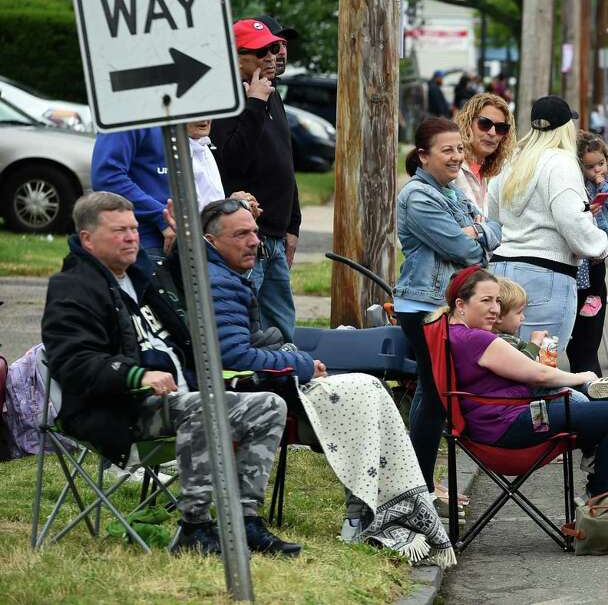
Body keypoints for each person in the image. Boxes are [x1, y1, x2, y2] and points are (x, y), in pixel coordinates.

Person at [198, 198, 456, 565]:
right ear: (209, 241)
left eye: (254, 231)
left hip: (266, 381)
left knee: (369, 390)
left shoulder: (227, 277)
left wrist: (286, 354)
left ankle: (373, 511)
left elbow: (244, 344)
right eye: (241, 234)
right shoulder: (219, 284)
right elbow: (233, 356)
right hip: (250, 391)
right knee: (365, 393)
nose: (254, 241)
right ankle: (364, 515)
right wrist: (299, 363)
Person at [39, 192, 298, 556]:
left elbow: (186, 282)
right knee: (206, 406)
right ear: (87, 239)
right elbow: (73, 362)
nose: (131, 237)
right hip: (119, 409)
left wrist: (185, 242)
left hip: (180, 397)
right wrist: (136, 377)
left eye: (132, 228)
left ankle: (243, 521)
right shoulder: (72, 290)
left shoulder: (144, 274)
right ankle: (195, 526)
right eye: (119, 231)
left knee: (269, 405)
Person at [443, 267, 608, 498]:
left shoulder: (454, 333)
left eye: (497, 301)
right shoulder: (477, 339)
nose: (494, 309)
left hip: (502, 419)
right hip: (510, 425)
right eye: (486, 301)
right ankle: (601, 501)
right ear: (461, 305)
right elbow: (538, 375)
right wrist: (584, 377)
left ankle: (597, 487)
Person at [395, 117, 501, 496]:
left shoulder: (451, 191)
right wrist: (477, 233)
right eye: (447, 150)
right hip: (422, 306)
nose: (457, 157)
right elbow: (467, 249)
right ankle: (418, 485)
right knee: (433, 391)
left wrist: (479, 231)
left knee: (438, 392)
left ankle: (423, 482)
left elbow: (493, 228)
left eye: (459, 148)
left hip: (443, 305)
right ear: (423, 156)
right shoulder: (418, 197)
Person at [487, 96, 608, 346]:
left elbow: (493, 216)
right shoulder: (561, 162)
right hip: (546, 274)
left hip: (500, 270)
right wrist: (599, 245)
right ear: (565, 128)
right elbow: (572, 221)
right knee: (541, 364)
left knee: (502, 364)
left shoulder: (511, 161)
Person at [210, 18, 301, 341]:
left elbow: (284, 163)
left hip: (276, 234)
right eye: (262, 50)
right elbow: (232, 159)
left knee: (283, 328)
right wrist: (254, 104)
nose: (272, 56)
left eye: (275, 48)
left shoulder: (270, 92)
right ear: (236, 58)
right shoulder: (226, 98)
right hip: (249, 231)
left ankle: (291, 383)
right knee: (249, 327)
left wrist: (293, 225)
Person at [494, 277, 608, 402]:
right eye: (519, 313)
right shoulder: (502, 341)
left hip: (537, 385)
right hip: (533, 391)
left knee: (607, 399)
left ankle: (592, 385)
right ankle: (590, 384)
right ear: (499, 317)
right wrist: (534, 343)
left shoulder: (508, 338)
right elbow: (522, 367)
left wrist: (544, 352)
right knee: (578, 399)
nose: (523, 318)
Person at [565, 132, 608, 377]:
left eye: (600, 164)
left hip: (597, 255)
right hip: (582, 258)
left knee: (588, 340)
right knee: (580, 342)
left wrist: (603, 187)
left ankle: (593, 386)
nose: (596, 170)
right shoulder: (576, 186)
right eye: (590, 167)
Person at [90, 129, 173, 257]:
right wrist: (162, 217)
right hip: (144, 241)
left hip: (178, 237)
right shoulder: (129, 114)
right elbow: (107, 178)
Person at [185, 119, 262, 215]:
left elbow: (212, 203)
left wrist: (237, 206)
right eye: (195, 112)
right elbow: (192, 215)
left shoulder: (204, 144)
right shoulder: (172, 152)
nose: (204, 119)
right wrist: (231, 204)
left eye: (207, 110)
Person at [453, 92, 515, 210]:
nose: (492, 133)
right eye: (484, 123)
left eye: (501, 128)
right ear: (467, 123)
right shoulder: (452, 167)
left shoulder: (486, 171)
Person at [253, 14, 299, 79]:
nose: (282, 52)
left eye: (284, 44)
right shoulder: (238, 86)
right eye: (274, 45)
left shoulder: (272, 85)